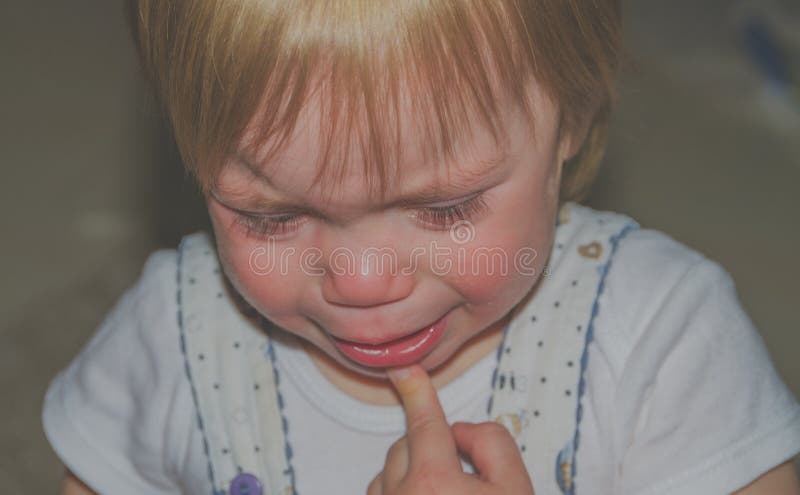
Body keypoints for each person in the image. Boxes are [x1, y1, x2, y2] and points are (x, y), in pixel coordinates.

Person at [44, 1, 800, 494]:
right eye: (268, 215)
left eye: (445, 206)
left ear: (571, 114)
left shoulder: (661, 345)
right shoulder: (175, 337)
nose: (363, 280)